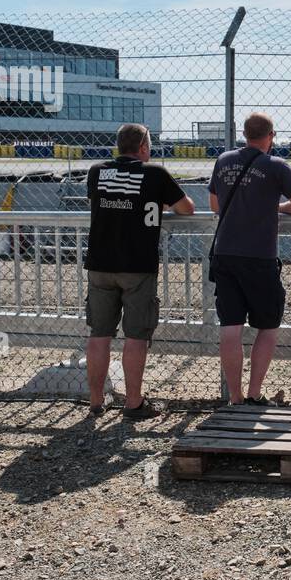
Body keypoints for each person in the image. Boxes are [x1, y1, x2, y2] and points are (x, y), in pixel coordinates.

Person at [85, 123, 195, 418]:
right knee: (135, 335)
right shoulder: (155, 174)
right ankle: (133, 403)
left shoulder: (97, 171)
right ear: (144, 147)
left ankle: (96, 402)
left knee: (99, 334)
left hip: (99, 264)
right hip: (137, 266)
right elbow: (187, 208)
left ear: (119, 146)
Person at [208, 112, 291, 406]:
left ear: (244, 134)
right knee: (267, 326)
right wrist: (277, 208)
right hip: (258, 256)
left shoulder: (224, 160)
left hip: (225, 253)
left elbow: (214, 204)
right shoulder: (276, 166)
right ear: (271, 136)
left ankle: (235, 397)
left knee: (230, 326)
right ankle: (254, 393)